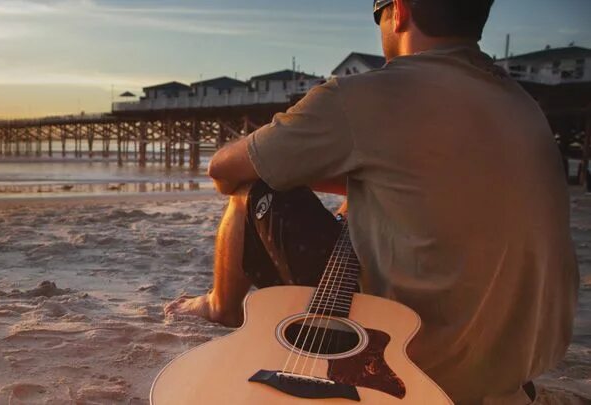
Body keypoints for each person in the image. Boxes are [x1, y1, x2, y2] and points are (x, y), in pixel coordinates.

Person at [164, 0, 577, 404]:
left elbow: (224, 171)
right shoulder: (523, 104)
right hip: (515, 362)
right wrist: (365, 180)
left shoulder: (368, 93)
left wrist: (300, 161)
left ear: (399, 11)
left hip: (413, 363)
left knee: (252, 187)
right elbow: (442, 185)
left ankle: (220, 307)